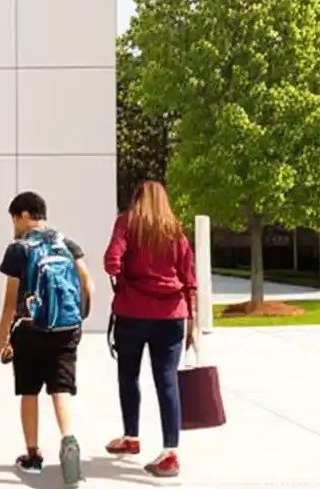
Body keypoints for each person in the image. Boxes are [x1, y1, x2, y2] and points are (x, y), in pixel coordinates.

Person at [0, 191, 94, 487]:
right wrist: (80, 315)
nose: (13, 225)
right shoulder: (66, 243)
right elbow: (87, 280)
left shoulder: (19, 249)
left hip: (29, 329)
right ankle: (69, 437)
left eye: (14, 218)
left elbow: (10, 299)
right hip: (67, 326)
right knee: (60, 388)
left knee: (29, 390)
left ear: (24, 215)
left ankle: (33, 455)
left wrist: (2, 339)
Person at [103, 181, 197, 478]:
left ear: (137, 199)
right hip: (171, 316)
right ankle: (171, 451)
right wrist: (192, 321)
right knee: (167, 381)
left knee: (128, 375)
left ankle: (131, 437)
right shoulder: (175, 232)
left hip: (132, 314)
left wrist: (124, 281)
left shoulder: (127, 223)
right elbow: (190, 279)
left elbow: (111, 261)